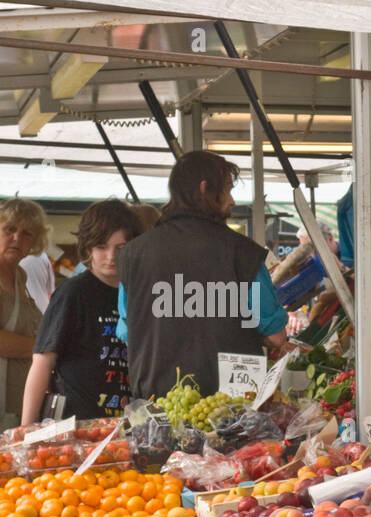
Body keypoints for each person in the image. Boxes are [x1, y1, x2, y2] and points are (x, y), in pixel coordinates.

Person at [115, 150, 288, 400]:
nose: (232, 201)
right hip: (231, 409)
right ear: (205, 189)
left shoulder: (131, 255)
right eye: (227, 190)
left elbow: (126, 332)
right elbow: (276, 335)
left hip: (156, 407)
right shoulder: (244, 254)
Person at [22, 200, 139, 424]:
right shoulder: (73, 293)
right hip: (73, 426)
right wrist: (26, 429)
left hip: (126, 427)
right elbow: (42, 362)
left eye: (121, 248)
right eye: (101, 246)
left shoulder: (138, 293)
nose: (111, 256)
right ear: (88, 247)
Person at [0, 199, 47, 429]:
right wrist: (45, 350)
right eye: (10, 229)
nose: (17, 238)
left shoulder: (20, 276)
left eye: (27, 234)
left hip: (15, 407)